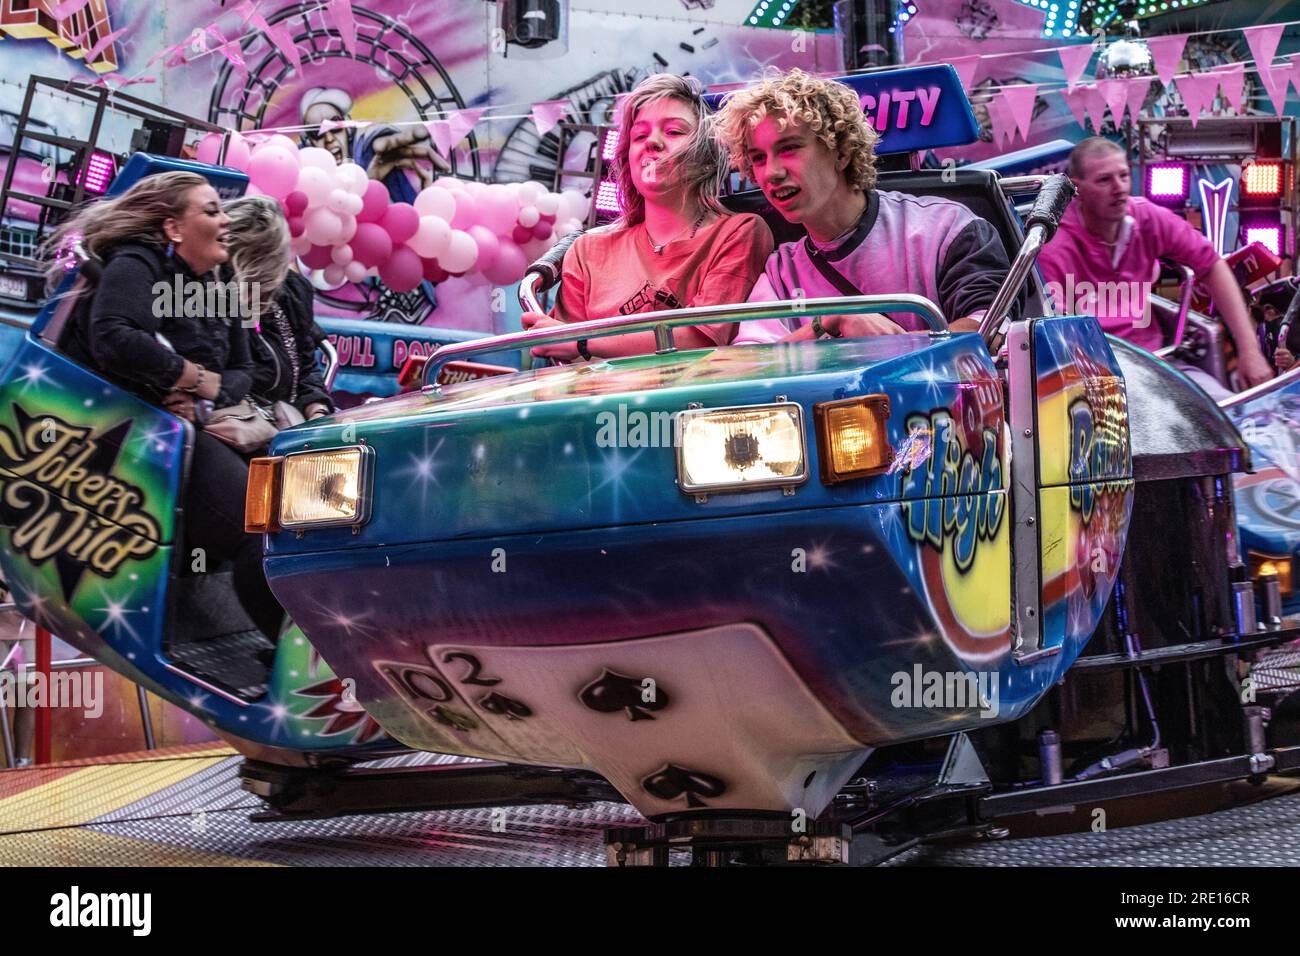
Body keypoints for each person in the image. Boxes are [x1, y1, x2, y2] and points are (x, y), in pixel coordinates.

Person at [47, 172, 285, 646]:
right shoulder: (138, 263)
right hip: (128, 438)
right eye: (212, 211)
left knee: (296, 511)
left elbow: (246, 370)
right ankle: (292, 665)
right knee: (259, 530)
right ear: (174, 228)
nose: (225, 222)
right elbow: (114, 336)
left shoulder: (222, 285)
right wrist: (187, 377)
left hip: (192, 430)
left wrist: (205, 388)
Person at [712, 68, 1016, 343]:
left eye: (789, 148)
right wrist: (830, 322)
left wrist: (874, 343)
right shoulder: (781, 272)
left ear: (841, 153)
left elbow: (990, 329)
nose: (772, 172)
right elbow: (753, 363)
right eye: (758, 158)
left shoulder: (946, 228)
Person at [521, 74, 774, 361]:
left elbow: (700, 337)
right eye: (639, 135)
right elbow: (567, 360)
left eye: (674, 132)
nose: (652, 142)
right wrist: (576, 345)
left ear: (706, 158)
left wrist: (583, 342)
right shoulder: (588, 250)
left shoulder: (739, 232)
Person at [1037, 137, 1273, 395]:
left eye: (1124, 176)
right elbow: (1057, 337)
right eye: (1105, 180)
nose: (1119, 188)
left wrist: (1250, 351)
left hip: (1157, 365)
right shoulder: (1055, 245)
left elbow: (1212, 264)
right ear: (1077, 189)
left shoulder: (1146, 217)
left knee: (1225, 418)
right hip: (1097, 383)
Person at [221, 197, 333, 421]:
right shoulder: (210, 294)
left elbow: (307, 366)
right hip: (234, 421)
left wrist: (317, 409)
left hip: (287, 418)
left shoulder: (292, 293)